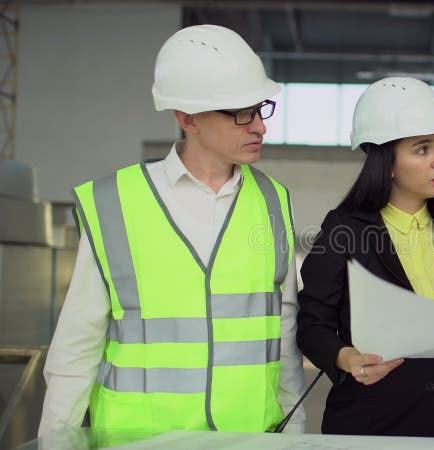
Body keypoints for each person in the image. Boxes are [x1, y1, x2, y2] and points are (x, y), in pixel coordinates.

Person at [38, 25, 305, 436]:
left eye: (261, 108)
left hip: (249, 441)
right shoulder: (115, 203)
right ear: (187, 117)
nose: (260, 127)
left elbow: (283, 336)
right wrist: (56, 441)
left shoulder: (273, 201)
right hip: (137, 442)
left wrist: (294, 434)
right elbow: (77, 348)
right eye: (241, 113)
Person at [296, 76, 434, 439]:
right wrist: (346, 358)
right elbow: (312, 323)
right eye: (422, 149)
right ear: (387, 163)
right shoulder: (344, 228)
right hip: (368, 424)